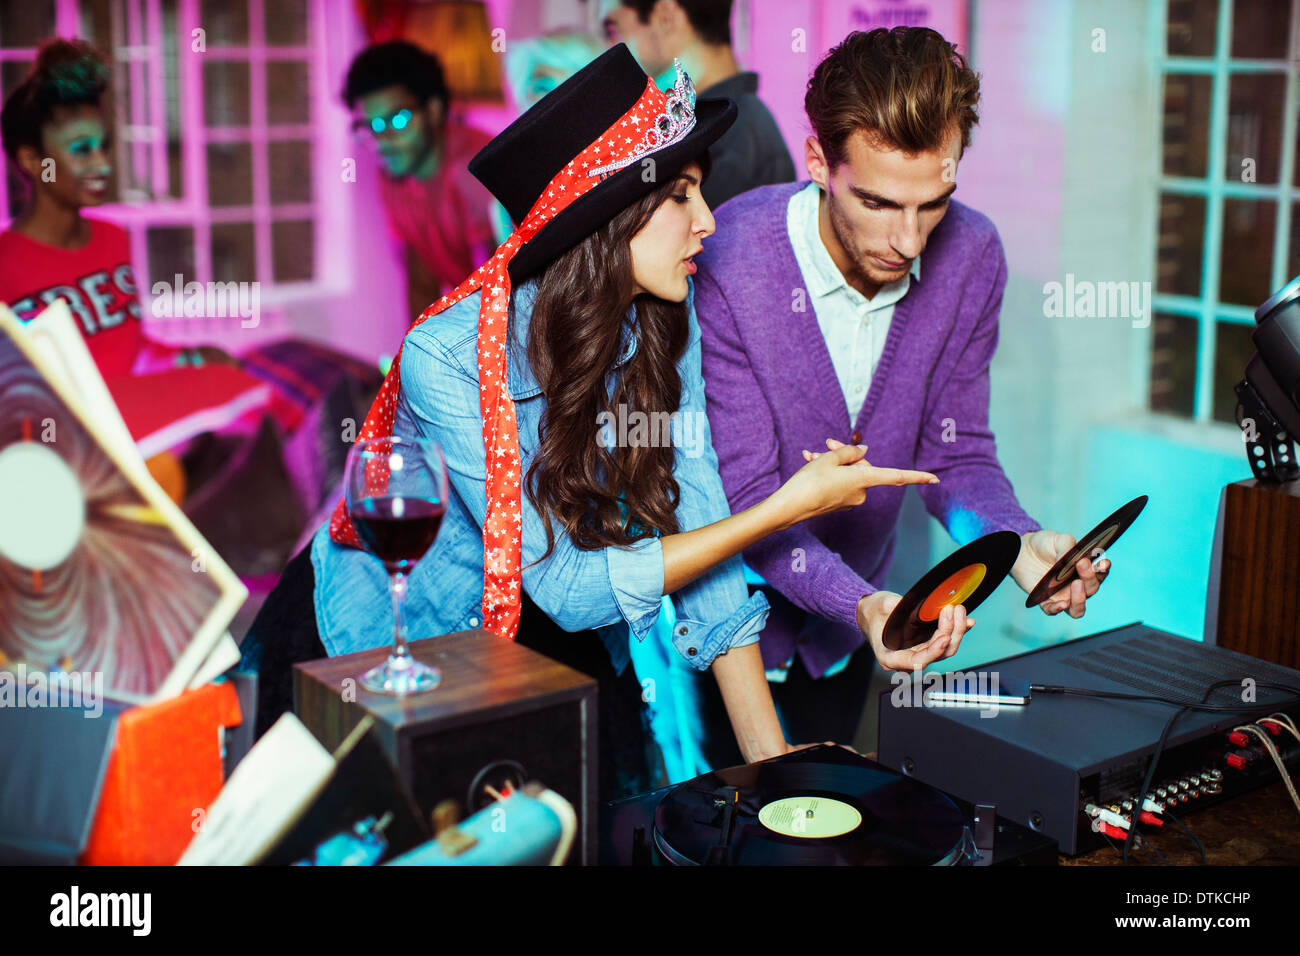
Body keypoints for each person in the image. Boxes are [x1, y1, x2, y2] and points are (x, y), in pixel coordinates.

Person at [247, 44, 952, 803]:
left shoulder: (658, 321)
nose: (708, 221)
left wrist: (770, 760)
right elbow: (568, 587)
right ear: (608, 219)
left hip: (553, 643)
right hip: (386, 654)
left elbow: (699, 520)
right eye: (681, 196)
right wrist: (784, 510)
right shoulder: (445, 356)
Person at [678, 27, 1113, 768]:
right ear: (818, 161)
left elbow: (957, 452)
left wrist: (1014, 542)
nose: (909, 241)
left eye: (933, 203)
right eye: (879, 203)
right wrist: (860, 602)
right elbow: (747, 498)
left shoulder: (973, 255)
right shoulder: (731, 258)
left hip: (858, 631)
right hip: (732, 633)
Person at [0, 39, 224, 378]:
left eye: (103, 146)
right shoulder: (6, 265)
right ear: (34, 161)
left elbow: (131, 353)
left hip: (141, 424)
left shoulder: (113, 239)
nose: (103, 165)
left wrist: (190, 359)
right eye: (82, 150)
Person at [343, 41, 497, 321]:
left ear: (434, 109)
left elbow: (497, 289)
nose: (383, 141)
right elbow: (421, 282)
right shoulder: (394, 173)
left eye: (398, 120)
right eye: (372, 126)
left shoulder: (472, 170)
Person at [601, 0, 795, 208]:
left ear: (665, 16)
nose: (608, 48)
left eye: (614, 30)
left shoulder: (727, 139)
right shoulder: (726, 126)